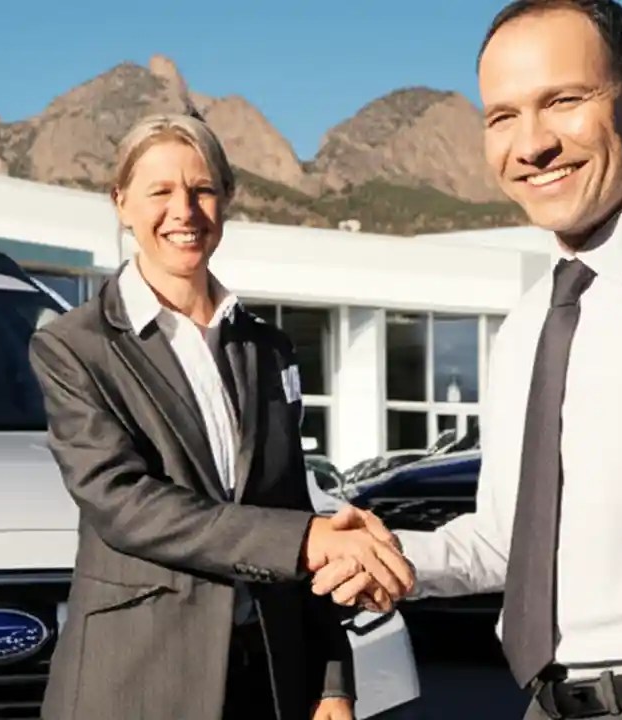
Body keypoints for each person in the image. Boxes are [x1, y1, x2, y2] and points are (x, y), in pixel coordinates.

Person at [311, 1, 622, 718]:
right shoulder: (530, 320)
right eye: (502, 116)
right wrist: (389, 555)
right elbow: (507, 542)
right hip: (544, 702)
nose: (531, 144)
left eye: (561, 102)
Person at [28, 112, 414, 720]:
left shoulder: (266, 348)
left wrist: (334, 678)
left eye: (202, 189)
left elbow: (290, 505)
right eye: (160, 191)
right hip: (134, 682)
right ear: (121, 202)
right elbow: (124, 503)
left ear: (227, 201)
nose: (184, 210)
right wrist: (306, 540)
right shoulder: (73, 347)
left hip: (265, 676)